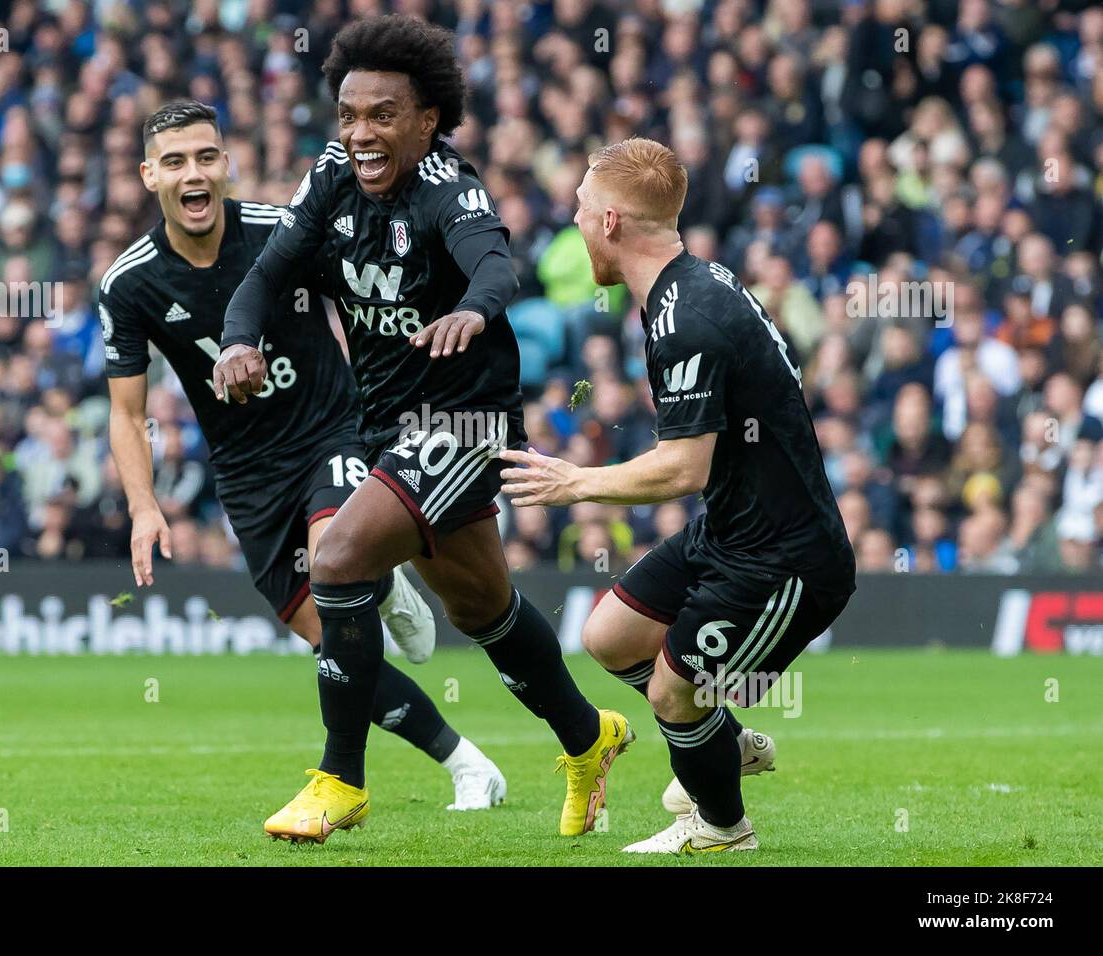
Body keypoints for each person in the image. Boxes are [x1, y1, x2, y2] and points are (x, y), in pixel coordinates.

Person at [214, 16, 631, 843]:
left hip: (462, 420)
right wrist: (236, 340)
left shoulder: (449, 187)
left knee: (335, 557)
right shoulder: (332, 176)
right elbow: (264, 275)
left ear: (427, 120)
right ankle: (591, 738)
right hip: (383, 422)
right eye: (348, 116)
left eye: (381, 115)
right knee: (483, 606)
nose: (360, 134)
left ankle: (340, 779)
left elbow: (495, 265)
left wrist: (473, 313)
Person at [100, 100, 505, 820]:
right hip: (247, 477)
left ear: (224, 165)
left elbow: (371, 297)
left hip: (331, 434)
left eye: (204, 157)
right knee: (335, 651)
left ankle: (371, 579)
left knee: (334, 568)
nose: (192, 173)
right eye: (173, 161)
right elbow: (128, 413)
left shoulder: (281, 233)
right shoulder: (129, 283)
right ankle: (468, 763)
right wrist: (142, 505)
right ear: (148, 176)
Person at [501, 138, 856, 853]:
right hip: (733, 529)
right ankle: (723, 743)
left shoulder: (685, 315)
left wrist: (577, 482)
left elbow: (683, 470)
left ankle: (723, 829)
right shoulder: (691, 283)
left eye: (578, 209)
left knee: (672, 694)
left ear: (608, 223)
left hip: (784, 558)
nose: (572, 220)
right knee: (610, 637)